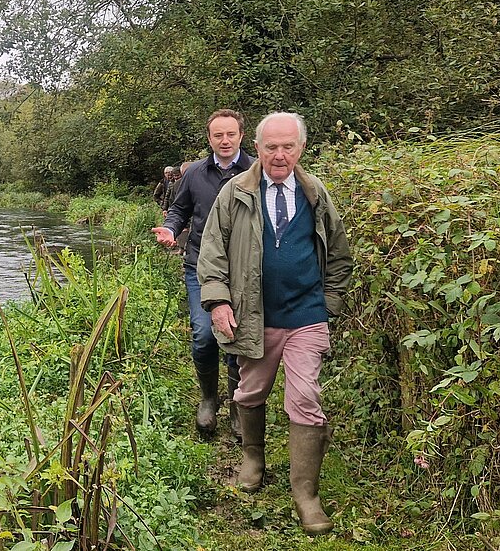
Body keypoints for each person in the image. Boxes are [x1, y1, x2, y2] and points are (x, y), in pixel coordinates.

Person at [195, 112, 353, 534]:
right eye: (271, 147)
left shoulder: (315, 193)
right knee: (250, 391)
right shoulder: (235, 193)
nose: (279, 155)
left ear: (300, 148)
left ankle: (306, 495)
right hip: (254, 317)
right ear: (258, 148)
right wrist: (218, 302)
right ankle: (253, 459)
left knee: (304, 399)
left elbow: (338, 254)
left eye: (288, 147)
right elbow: (211, 255)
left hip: (305, 317)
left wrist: (327, 305)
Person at [151, 110, 254, 440]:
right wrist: (170, 229)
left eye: (231, 135)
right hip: (200, 265)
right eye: (217, 136)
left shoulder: (257, 171)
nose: (225, 141)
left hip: (244, 269)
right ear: (209, 139)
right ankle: (209, 398)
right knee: (204, 333)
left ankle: (239, 405)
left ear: (241, 136)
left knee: (238, 336)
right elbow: (179, 210)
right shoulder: (194, 173)